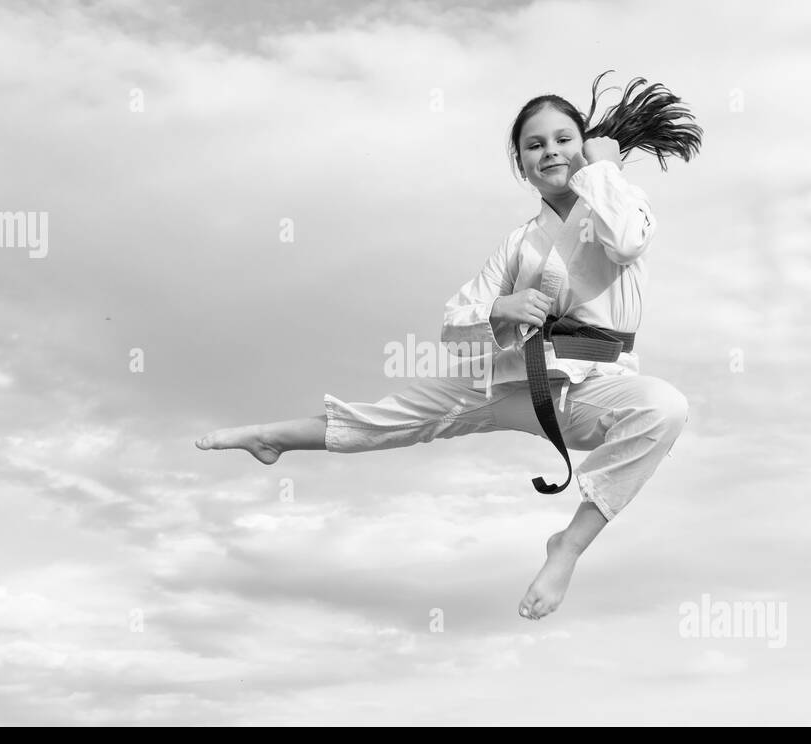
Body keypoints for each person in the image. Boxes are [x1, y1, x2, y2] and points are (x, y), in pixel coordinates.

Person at [197, 72, 701, 621]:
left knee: (665, 407)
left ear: (585, 145)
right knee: (400, 416)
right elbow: (453, 326)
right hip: (520, 379)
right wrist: (499, 310)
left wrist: (604, 170)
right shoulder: (517, 242)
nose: (550, 151)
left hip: (597, 391)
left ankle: (568, 547)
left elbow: (627, 243)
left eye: (563, 139)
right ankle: (272, 437)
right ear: (521, 163)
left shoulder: (620, 199)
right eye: (534, 145)